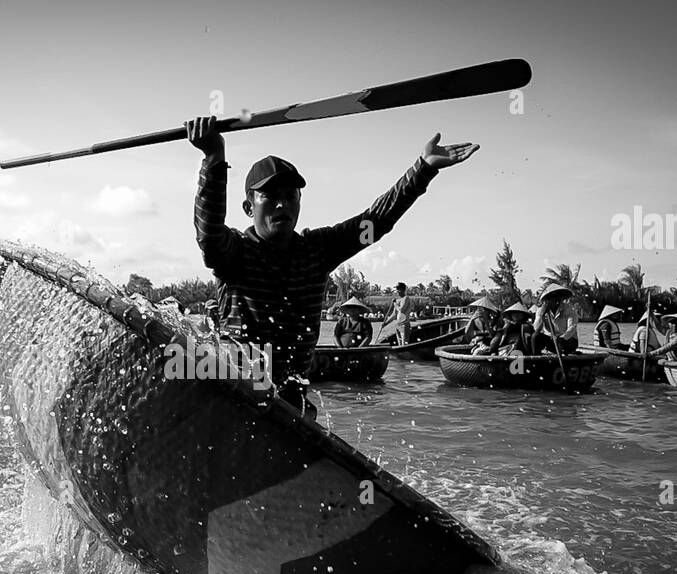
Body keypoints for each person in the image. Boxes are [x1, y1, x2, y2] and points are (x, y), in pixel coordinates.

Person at [186, 114, 478, 417]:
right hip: (236, 396)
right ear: (249, 208)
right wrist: (213, 157)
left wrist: (423, 169)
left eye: (290, 196)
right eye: (269, 196)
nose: (282, 204)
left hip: (290, 401)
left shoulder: (316, 250)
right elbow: (208, 234)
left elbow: (374, 224)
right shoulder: (234, 252)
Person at [532, 283, 579, 354]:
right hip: (551, 340)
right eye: (552, 297)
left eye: (557, 297)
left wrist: (562, 338)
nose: (556, 300)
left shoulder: (569, 308)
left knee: (562, 342)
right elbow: (536, 329)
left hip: (567, 340)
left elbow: (572, 327)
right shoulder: (541, 310)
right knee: (535, 337)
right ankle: (536, 359)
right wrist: (542, 316)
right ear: (547, 299)